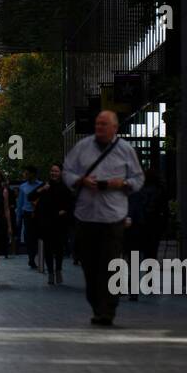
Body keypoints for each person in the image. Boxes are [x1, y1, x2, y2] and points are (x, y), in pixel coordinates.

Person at [63, 110, 144, 327]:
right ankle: (97, 304)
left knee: (109, 264)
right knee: (89, 264)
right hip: (86, 214)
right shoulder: (82, 147)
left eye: (104, 124)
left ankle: (107, 310)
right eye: (97, 123)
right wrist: (81, 180)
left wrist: (123, 184)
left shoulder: (125, 150)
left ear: (115, 128)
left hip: (113, 216)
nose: (99, 127)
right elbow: (67, 172)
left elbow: (138, 178)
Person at [33, 164, 74, 285]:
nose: (53, 173)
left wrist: (64, 210)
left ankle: (58, 270)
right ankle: (50, 273)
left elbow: (71, 202)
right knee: (48, 249)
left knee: (59, 248)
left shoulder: (65, 187)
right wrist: (41, 189)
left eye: (56, 171)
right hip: (46, 222)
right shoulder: (45, 185)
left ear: (61, 173)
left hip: (60, 223)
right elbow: (31, 196)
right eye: (52, 171)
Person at [16, 166, 43, 269]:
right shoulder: (23, 187)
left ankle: (36, 255)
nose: (25, 175)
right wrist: (18, 218)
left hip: (39, 214)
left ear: (33, 174)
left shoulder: (41, 185)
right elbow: (20, 202)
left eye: (27, 173)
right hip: (27, 214)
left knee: (37, 236)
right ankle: (31, 258)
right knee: (28, 236)